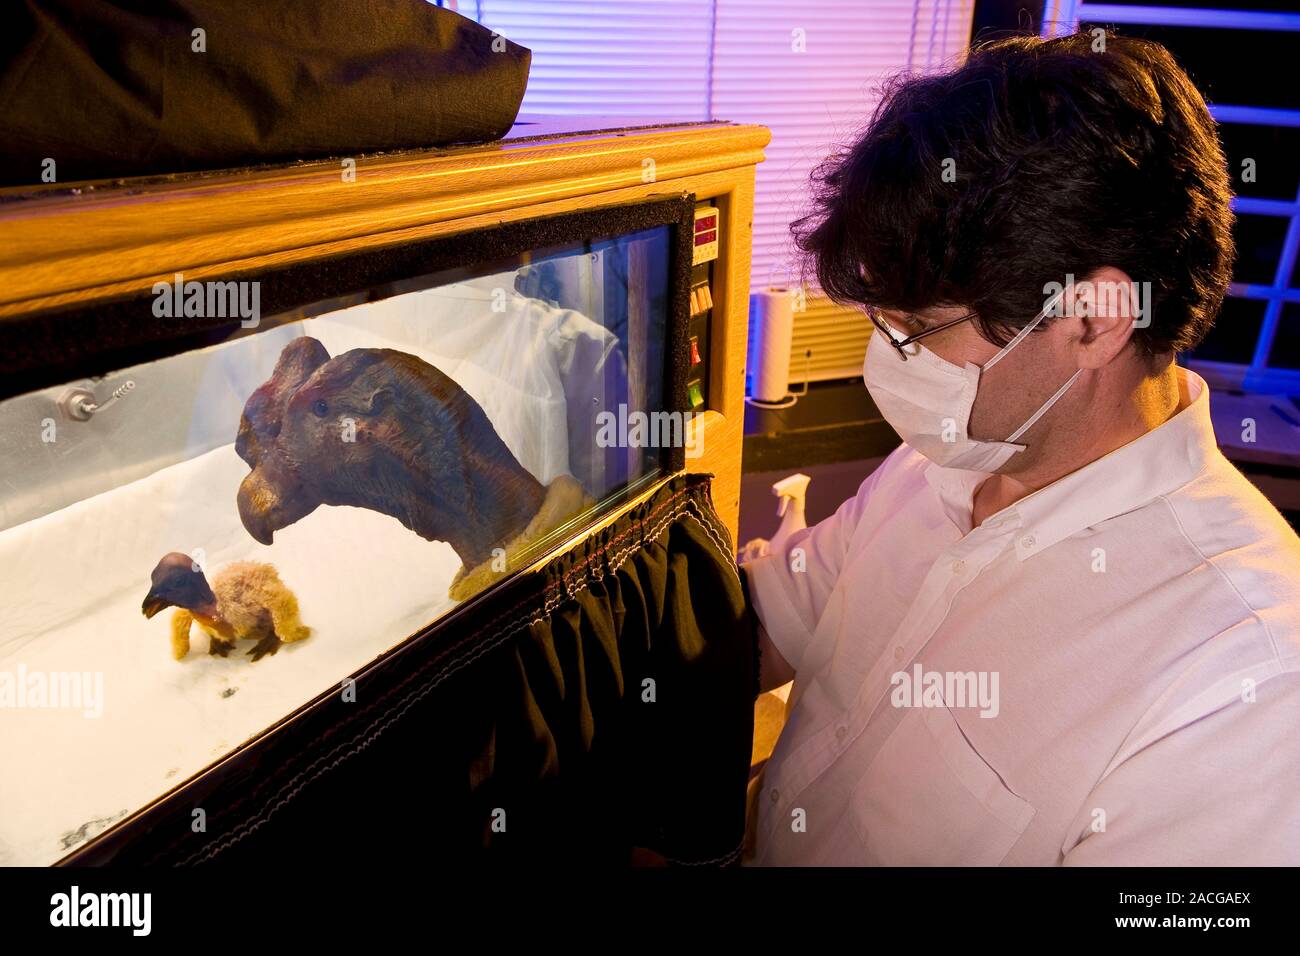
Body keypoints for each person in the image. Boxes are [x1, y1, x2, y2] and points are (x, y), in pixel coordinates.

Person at [741, 30, 1300, 865]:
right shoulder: (951, 460)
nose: (883, 361)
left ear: (1093, 321)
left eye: (918, 329)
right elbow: (777, 622)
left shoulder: (1241, 684)